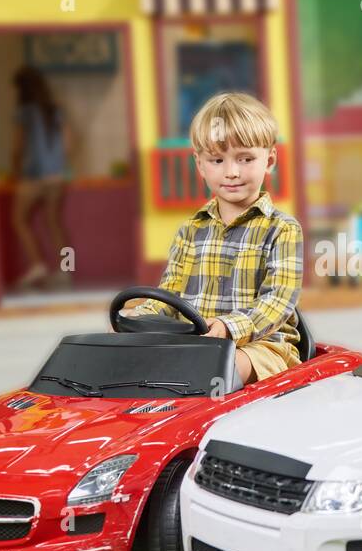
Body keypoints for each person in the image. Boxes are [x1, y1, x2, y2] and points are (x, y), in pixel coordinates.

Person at [124, 92, 302, 385]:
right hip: (197, 346)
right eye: (217, 160)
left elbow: (278, 301)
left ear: (269, 160)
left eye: (245, 159)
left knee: (223, 367)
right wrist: (136, 320)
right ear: (200, 164)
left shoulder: (282, 229)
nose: (231, 172)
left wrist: (227, 327)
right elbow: (169, 295)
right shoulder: (190, 231)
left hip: (260, 347)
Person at [9, 65, 76, 290]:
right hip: (56, 176)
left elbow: (17, 148)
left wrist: (15, 171)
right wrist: (59, 166)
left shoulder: (24, 111)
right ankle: (67, 270)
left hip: (33, 175)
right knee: (54, 222)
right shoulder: (55, 109)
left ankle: (38, 264)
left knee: (19, 220)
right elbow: (68, 142)